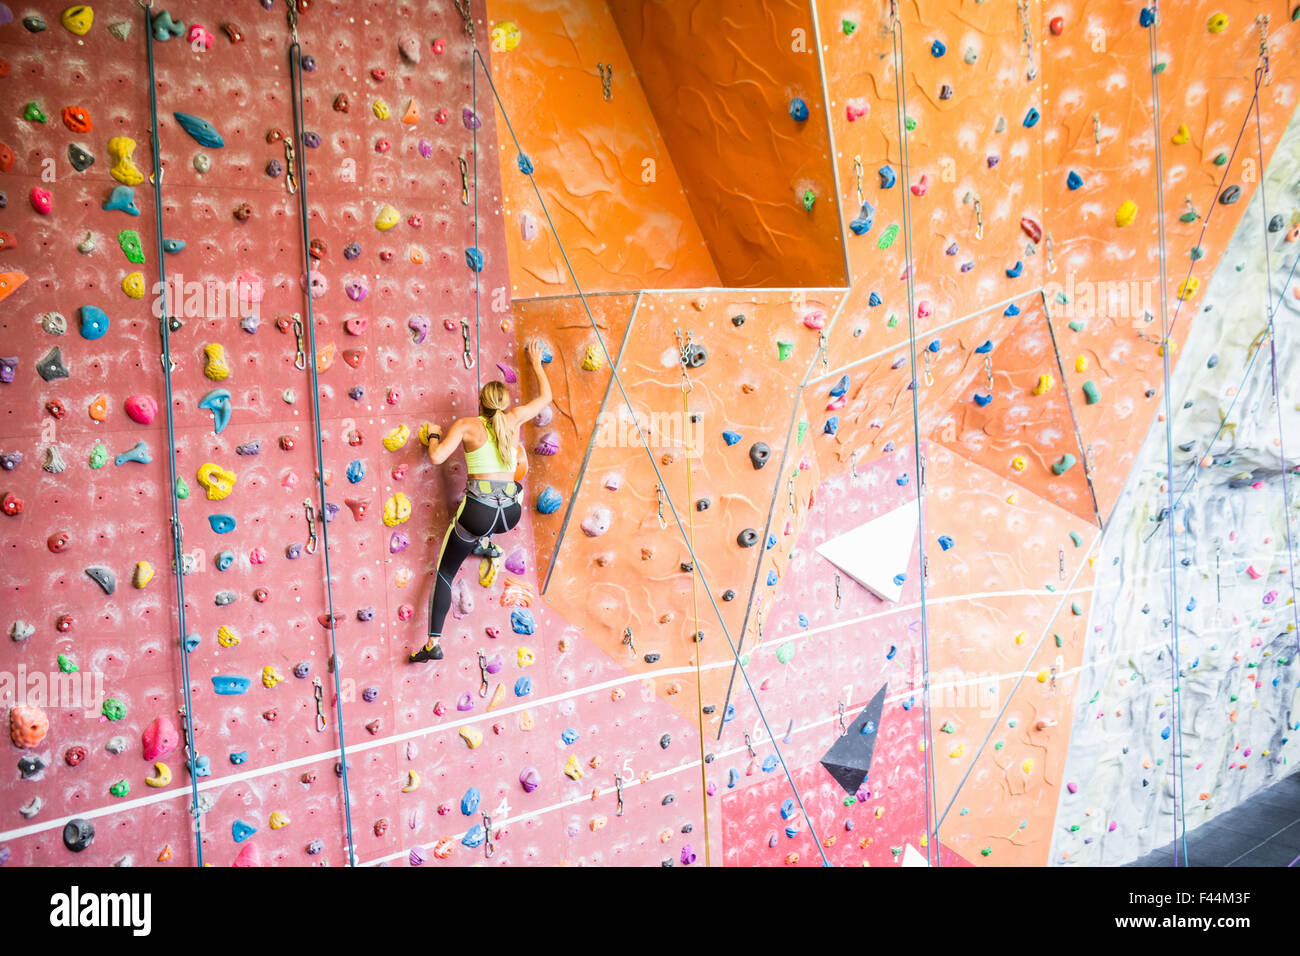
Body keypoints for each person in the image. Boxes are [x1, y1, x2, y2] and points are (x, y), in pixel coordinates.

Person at [410, 338, 551, 663]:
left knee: (445, 572)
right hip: (510, 515)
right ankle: (483, 543)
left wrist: (433, 436)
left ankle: (433, 644)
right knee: (480, 521)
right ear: (504, 402)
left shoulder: (466, 426)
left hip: (479, 514)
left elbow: (436, 457)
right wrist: (535, 362)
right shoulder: (514, 419)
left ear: (481, 402)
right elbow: (545, 397)